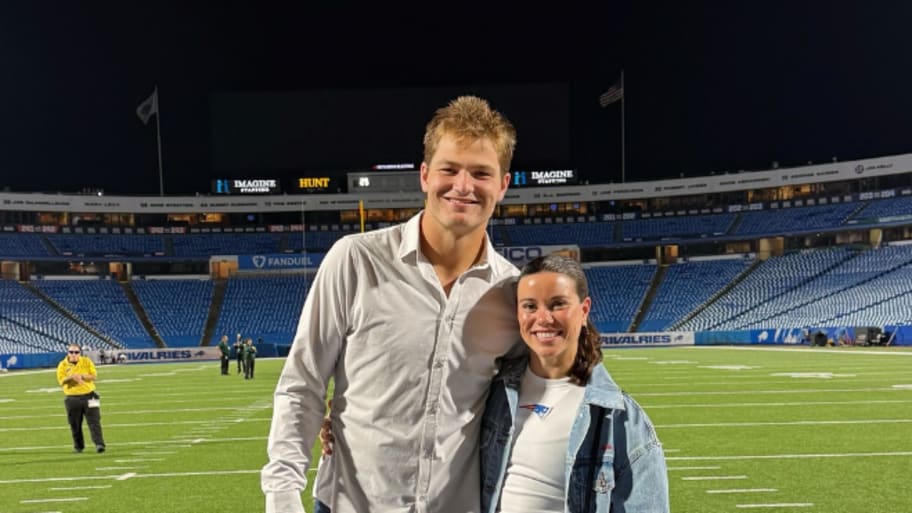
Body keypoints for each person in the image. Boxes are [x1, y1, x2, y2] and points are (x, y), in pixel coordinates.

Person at [261, 95, 521, 513]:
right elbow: (302, 385)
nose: (463, 186)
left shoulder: (513, 292)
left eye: (481, 173)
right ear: (424, 175)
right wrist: (282, 497)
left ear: (503, 185)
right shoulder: (355, 259)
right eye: (449, 169)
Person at [480, 255, 669, 512]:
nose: (543, 318)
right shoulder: (494, 394)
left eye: (557, 304)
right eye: (530, 306)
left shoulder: (621, 420)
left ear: (584, 310)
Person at [56, 344, 107, 454]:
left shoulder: (86, 361)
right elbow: (61, 381)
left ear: (80, 353)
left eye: (76, 352)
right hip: (72, 398)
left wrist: (82, 376)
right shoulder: (62, 365)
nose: (73, 354)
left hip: (90, 395)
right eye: (71, 352)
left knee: (95, 422)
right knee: (75, 424)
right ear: (67, 353)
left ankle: (99, 444)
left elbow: (94, 376)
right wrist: (72, 377)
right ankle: (78, 447)